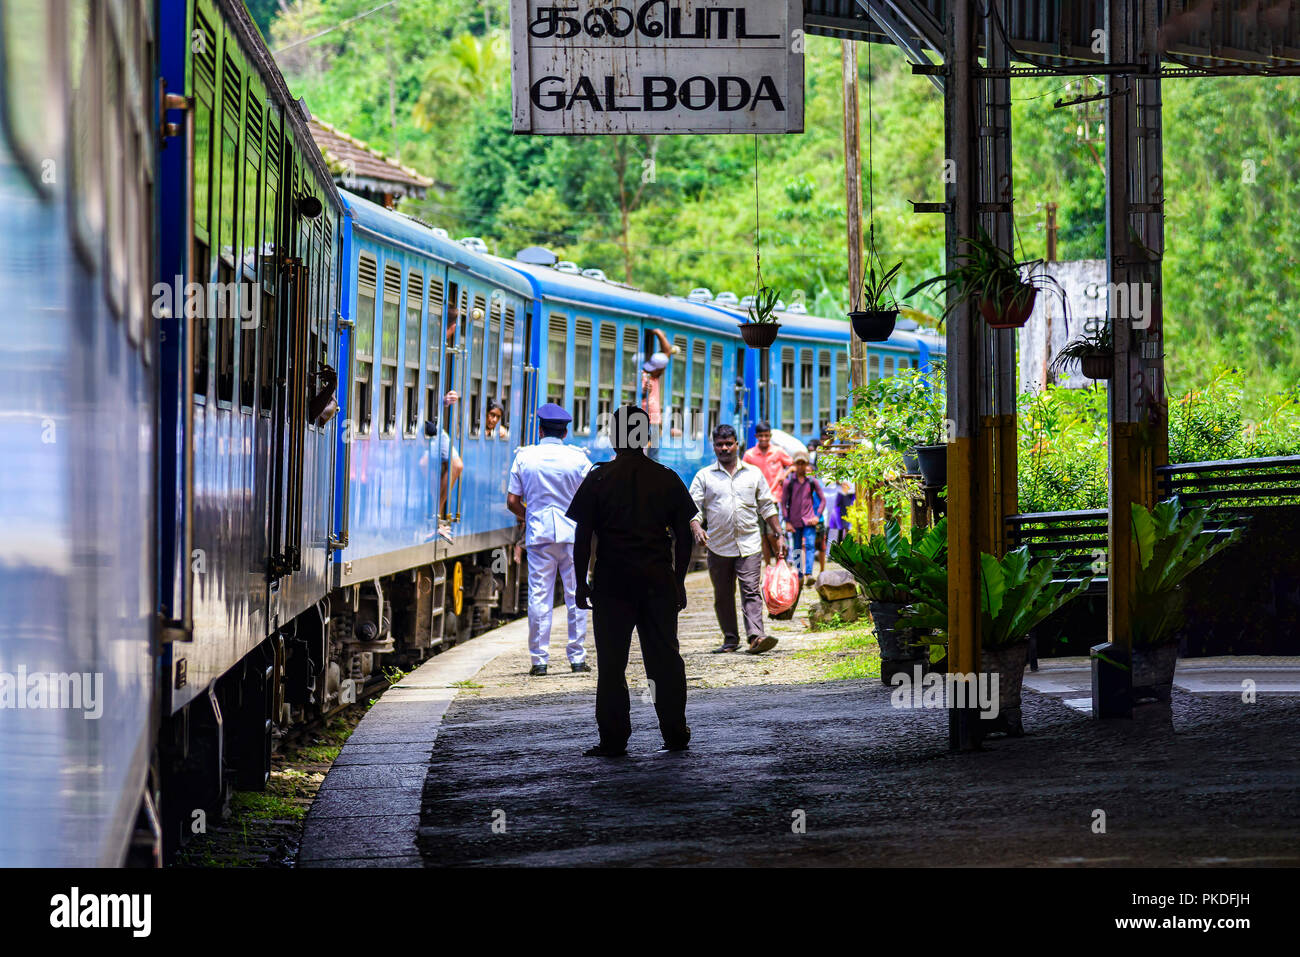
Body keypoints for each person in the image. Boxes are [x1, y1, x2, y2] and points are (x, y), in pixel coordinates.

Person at [567, 405, 697, 757]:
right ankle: (674, 732)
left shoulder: (598, 479)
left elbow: (583, 536)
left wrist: (581, 582)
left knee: (611, 664)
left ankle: (613, 738)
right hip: (657, 583)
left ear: (613, 436)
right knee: (665, 661)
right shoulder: (666, 477)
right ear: (646, 436)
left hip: (613, 585)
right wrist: (679, 580)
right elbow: (686, 537)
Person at [506, 403, 593, 676]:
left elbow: (512, 501)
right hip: (573, 535)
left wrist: (529, 516)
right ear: (565, 431)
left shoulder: (524, 457)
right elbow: (594, 496)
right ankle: (577, 658)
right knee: (576, 593)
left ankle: (539, 661)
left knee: (539, 597)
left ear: (540, 429)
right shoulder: (579, 459)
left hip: (539, 534)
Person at [688, 424, 786, 655]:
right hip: (718, 545)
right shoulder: (704, 476)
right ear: (713, 447)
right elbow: (693, 507)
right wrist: (696, 527)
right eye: (720, 444)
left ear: (737, 445)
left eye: (728, 444)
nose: (724, 448)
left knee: (751, 591)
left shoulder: (753, 474)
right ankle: (731, 639)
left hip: (749, 544)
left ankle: (756, 636)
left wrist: (778, 534)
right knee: (723, 595)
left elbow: (766, 505)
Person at [743, 421, 793, 561]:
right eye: (761, 436)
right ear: (756, 436)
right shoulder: (749, 455)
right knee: (763, 536)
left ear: (770, 435)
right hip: (756, 500)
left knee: (773, 534)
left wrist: (784, 473)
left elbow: (793, 464)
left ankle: (781, 561)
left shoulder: (777, 451)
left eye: (766, 436)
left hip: (774, 498)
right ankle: (768, 566)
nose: (764, 439)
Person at [782, 450, 825, 586]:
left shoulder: (812, 481)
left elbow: (822, 500)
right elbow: (783, 503)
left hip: (809, 519)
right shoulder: (789, 482)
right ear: (794, 464)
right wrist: (787, 521)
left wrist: (817, 516)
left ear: (807, 464)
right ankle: (800, 574)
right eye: (798, 463)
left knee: (811, 545)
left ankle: (809, 573)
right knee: (796, 547)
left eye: (803, 463)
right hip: (794, 521)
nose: (801, 466)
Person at [640, 329, 680, 458]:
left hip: (655, 421)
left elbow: (667, 352)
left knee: (653, 456)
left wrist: (659, 333)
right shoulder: (643, 376)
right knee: (644, 454)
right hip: (642, 420)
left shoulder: (655, 377)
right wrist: (643, 391)